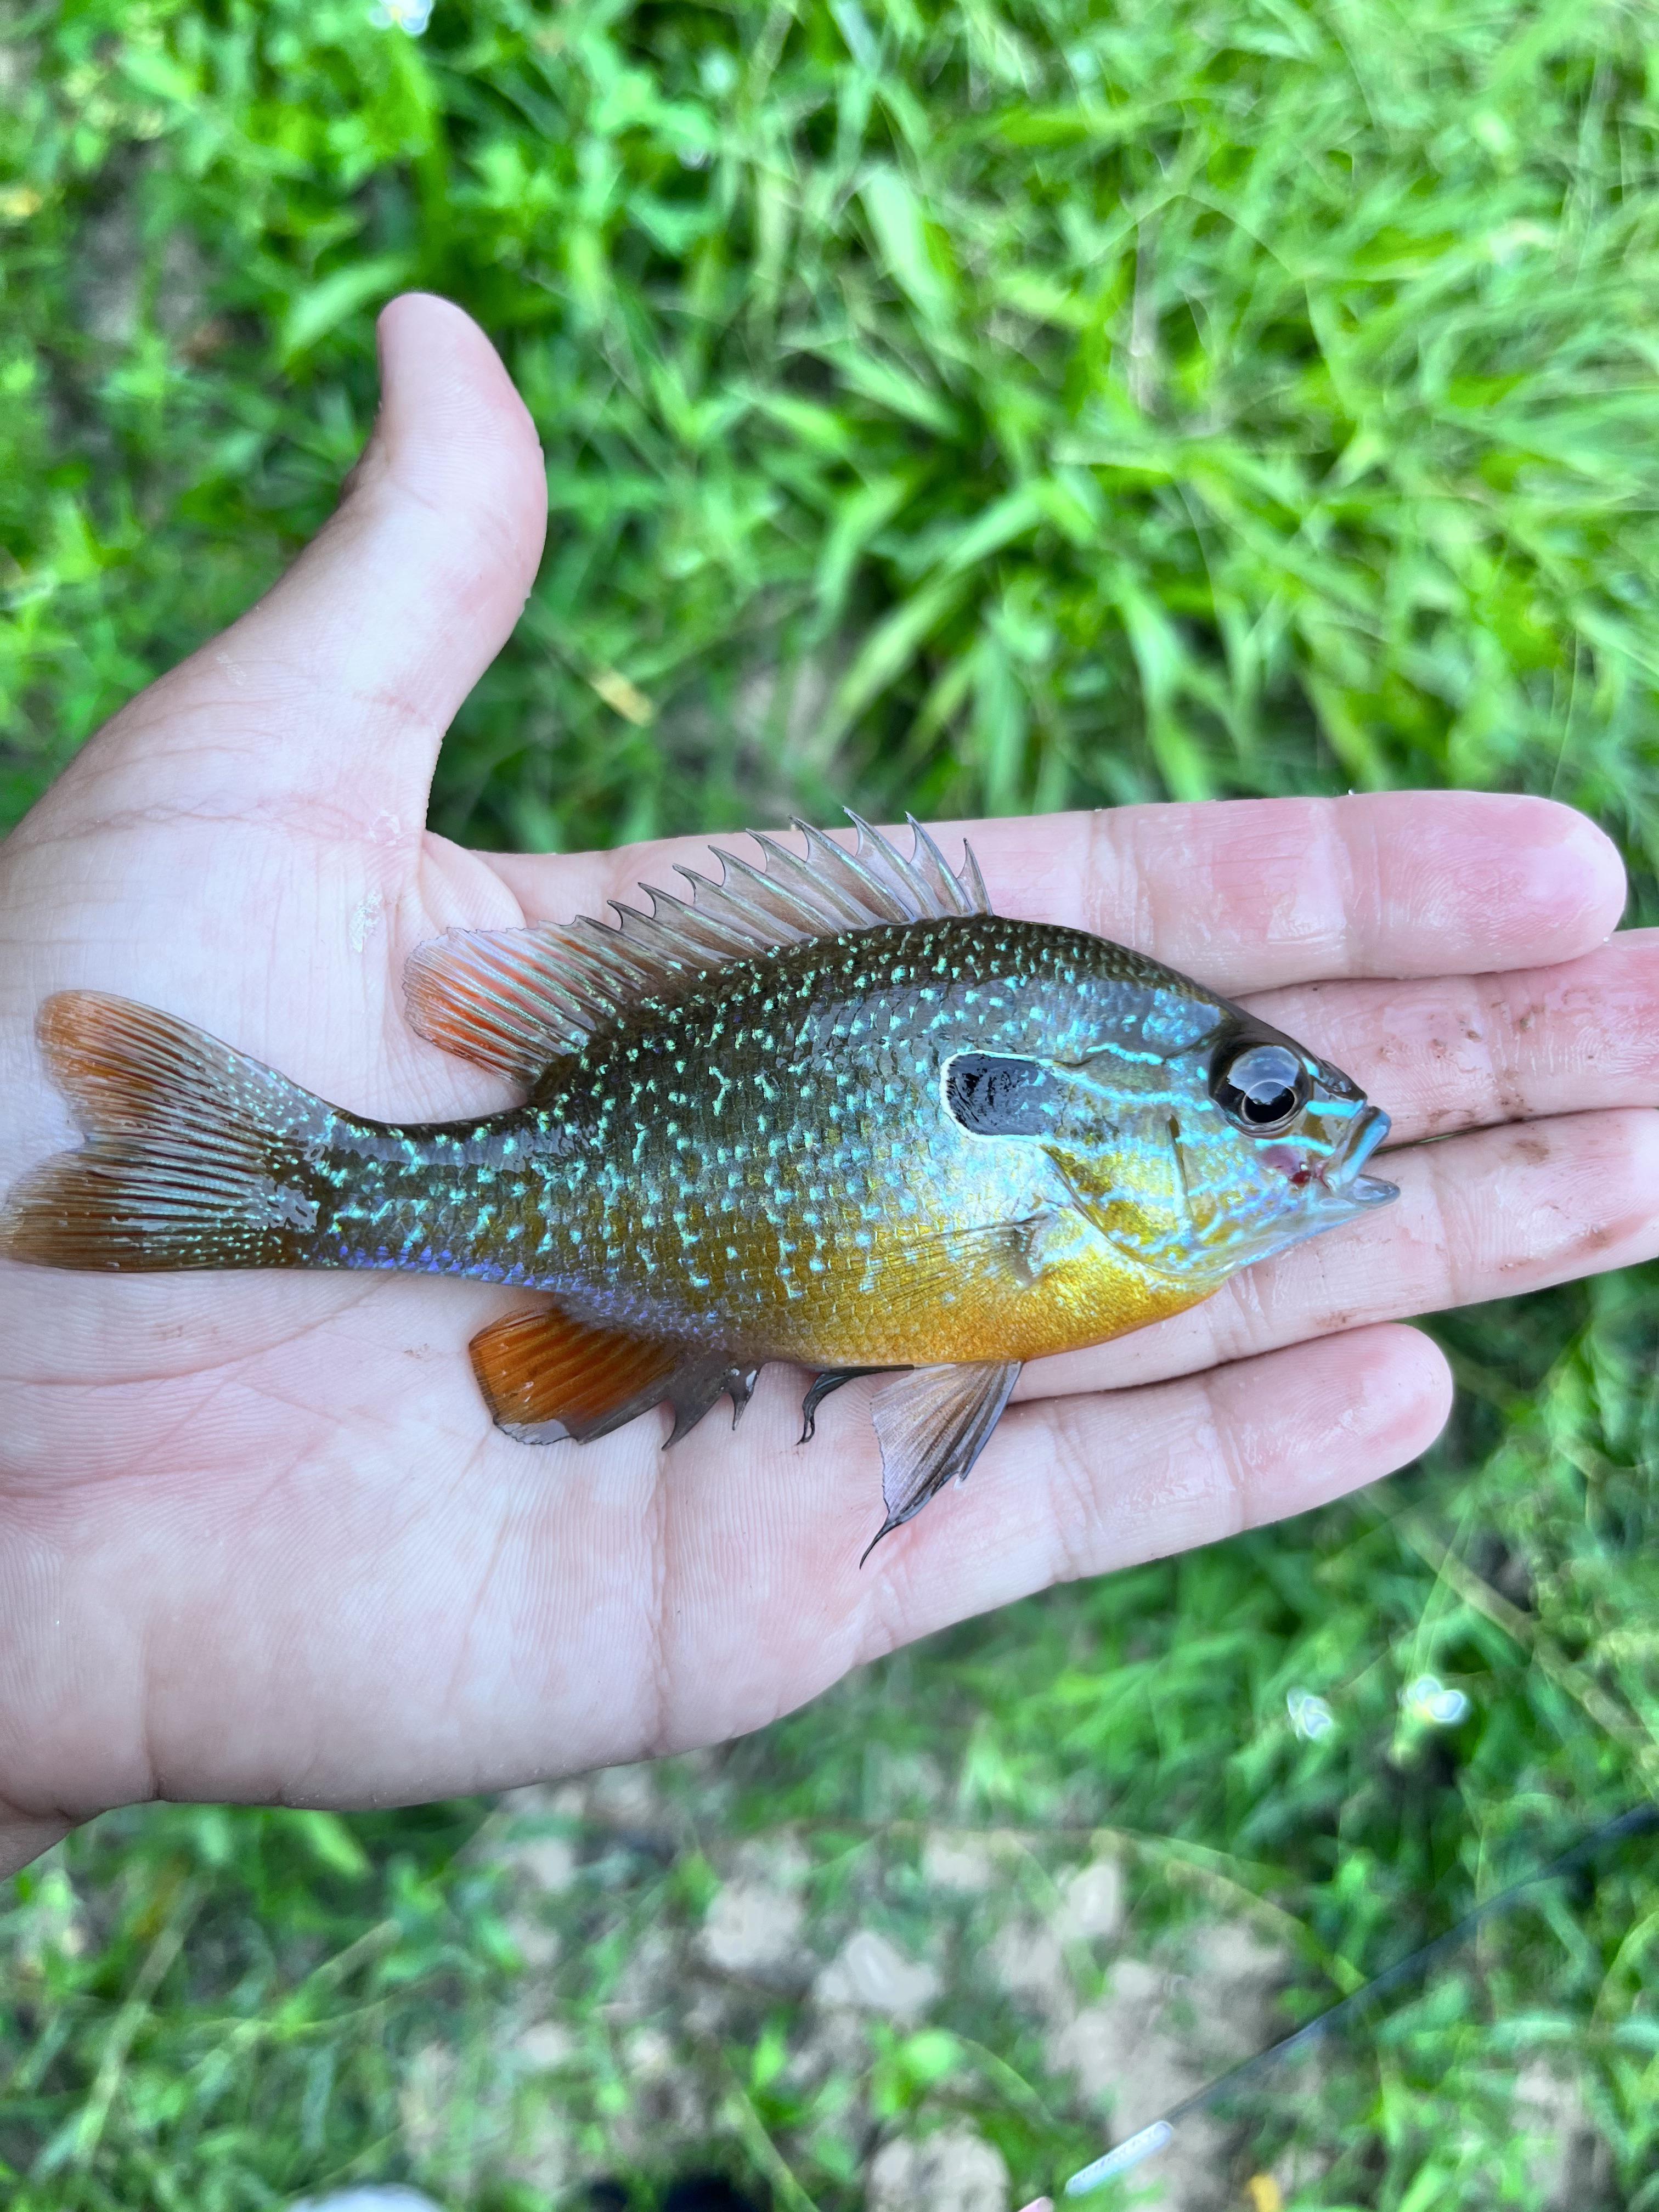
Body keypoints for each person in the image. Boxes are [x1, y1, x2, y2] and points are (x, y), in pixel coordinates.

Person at [1, 295, 1654, 1884]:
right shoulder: (1092, 1233)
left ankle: (277, 1181)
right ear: (1117, 1111)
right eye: (1264, 1096)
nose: (1322, 1131)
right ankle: (298, 1181)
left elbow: (976, 1318)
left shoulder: (1091, 1242)